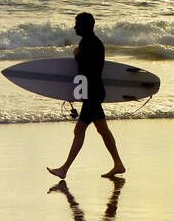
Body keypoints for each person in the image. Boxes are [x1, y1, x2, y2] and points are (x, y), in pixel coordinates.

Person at [47, 12, 126, 180]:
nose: (75, 27)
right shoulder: (91, 42)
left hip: (93, 93)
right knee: (102, 130)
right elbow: (86, 71)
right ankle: (118, 164)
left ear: (85, 26)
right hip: (93, 91)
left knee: (80, 129)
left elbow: (87, 67)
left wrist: (77, 55)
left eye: (77, 24)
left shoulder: (90, 43)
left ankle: (64, 169)